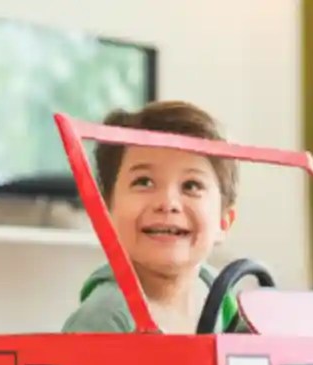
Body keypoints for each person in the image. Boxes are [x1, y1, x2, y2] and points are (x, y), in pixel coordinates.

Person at [62, 100, 243, 334]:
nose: (167, 203)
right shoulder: (103, 319)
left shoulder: (217, 288)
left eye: (191, 185)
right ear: (105, 214)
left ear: (223, 221)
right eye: (144, 182)